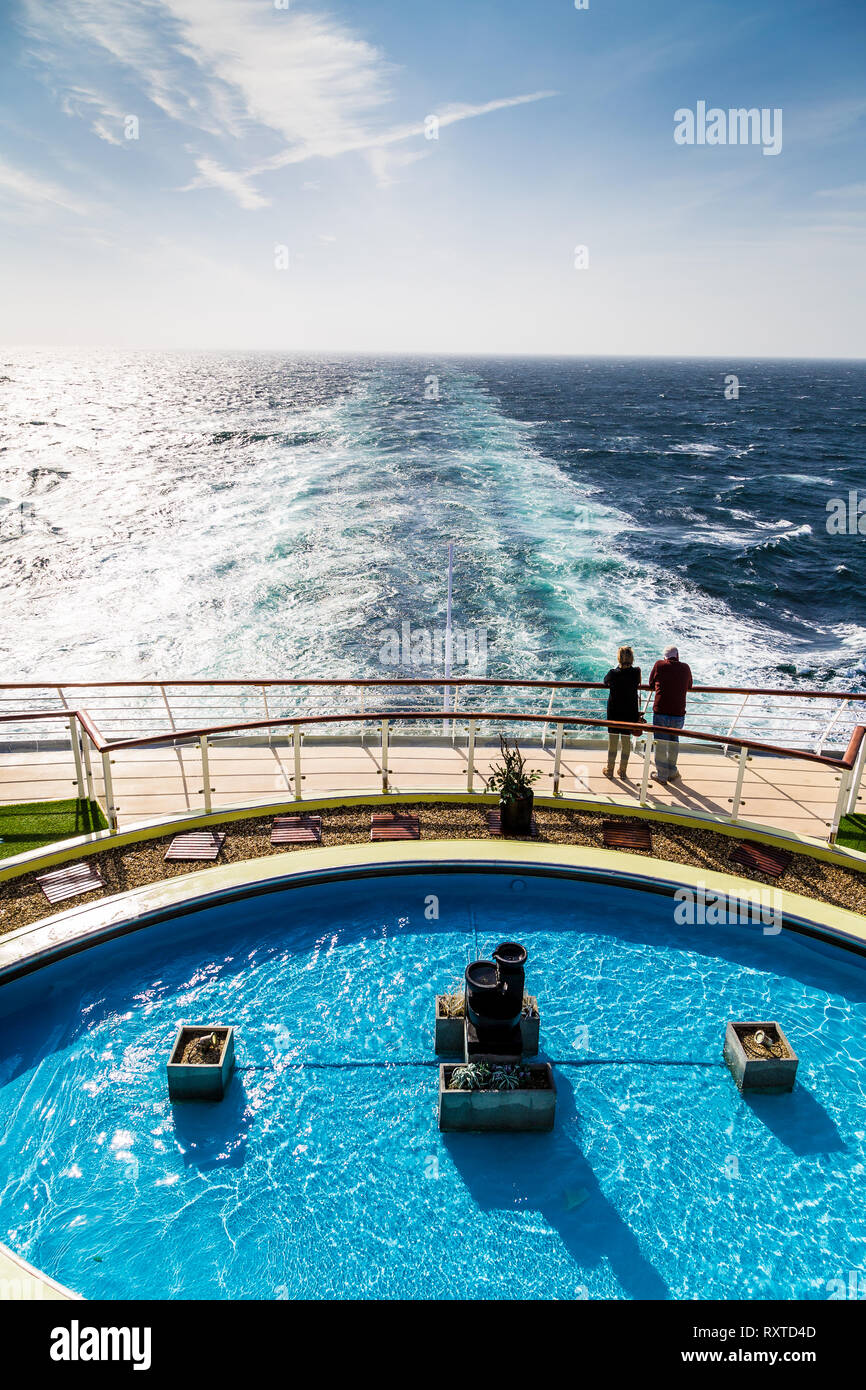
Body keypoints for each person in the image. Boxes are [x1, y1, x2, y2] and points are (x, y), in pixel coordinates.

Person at [648, 645, 693, 784]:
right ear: (677, 656)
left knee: (661, 743)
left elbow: (650, 684)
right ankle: (672, 772)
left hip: (661, 711)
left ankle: (662, 776)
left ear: (664, 657)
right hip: (678, 713)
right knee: (674, 742)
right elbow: (689, 686)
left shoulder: (659, 665)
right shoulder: (685, 668)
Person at [602, 646, 642, 779]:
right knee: (626, 743)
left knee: (613, 742)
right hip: (630, 713)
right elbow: (637, 682)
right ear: (632, 658)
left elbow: (605, 681)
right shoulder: (636, 672)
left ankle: (609, 770)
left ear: (619, 657)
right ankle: (623, 770)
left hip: (614, 712)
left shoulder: (613, 673)